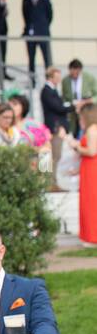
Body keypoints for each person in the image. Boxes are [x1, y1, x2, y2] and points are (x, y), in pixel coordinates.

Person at [69, 105, 97, 245]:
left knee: (91, 201)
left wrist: (75, 145)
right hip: (88, 167)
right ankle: (89, 234)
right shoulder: (91, 129)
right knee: (89, 200)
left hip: (92, 168)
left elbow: (92, 151)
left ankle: (92, 236)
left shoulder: (92, 130)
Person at [21, 0, 53, 78]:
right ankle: (32, 80)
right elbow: (25, 16)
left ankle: (49, 79)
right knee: (31, 58)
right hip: (30, 33)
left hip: (43, 32)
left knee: (47, 58)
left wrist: (43, 26)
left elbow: (50, 15)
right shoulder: (26, 0)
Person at [62, 58, 96, 134]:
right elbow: (64, 98)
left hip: (87, 112)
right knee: (74, 133)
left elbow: (95, 96)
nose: (74, 75)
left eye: (76, 73)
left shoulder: (89, 78)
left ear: (80, 70)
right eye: (72, 73)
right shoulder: (65, 80)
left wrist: (84, 102)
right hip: (73, 114)